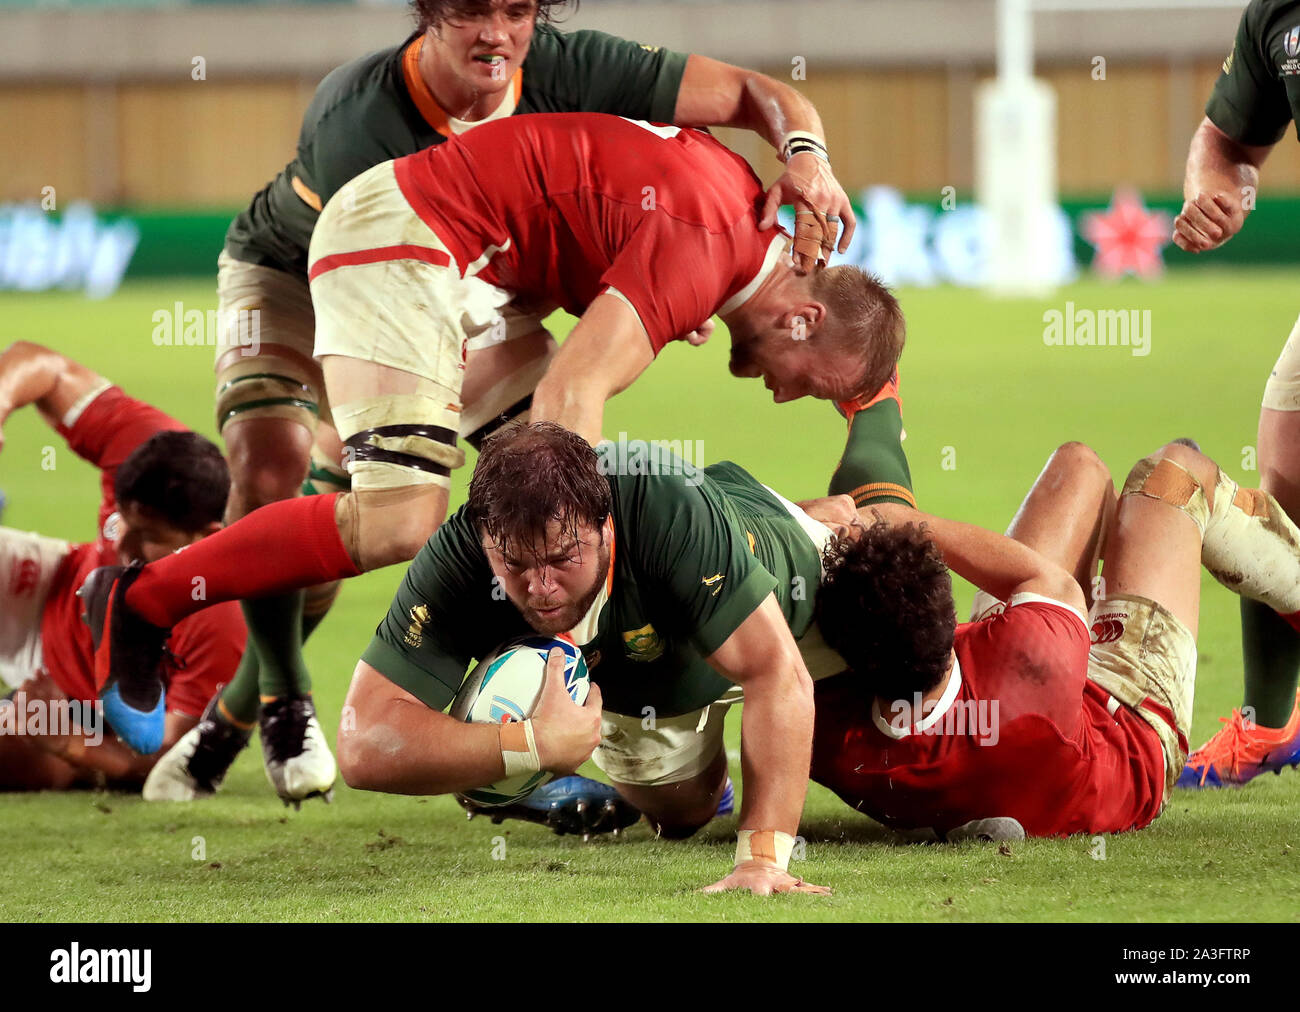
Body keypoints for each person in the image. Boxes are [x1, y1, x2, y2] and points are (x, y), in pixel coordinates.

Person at [173, 0, 898, 805]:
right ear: (427, 17)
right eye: (473, 13)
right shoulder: (363, 122)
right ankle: (272, 697)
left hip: (447, 261)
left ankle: (519, 718)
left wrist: (803, 152)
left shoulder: (564, 64)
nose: (499, 34)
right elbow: (404, 268)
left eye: (518, 12)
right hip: (294, 266)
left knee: (540, 492)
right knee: (302, 475)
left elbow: (749, 96)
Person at [339, 421, 857, 895]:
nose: (540, 588)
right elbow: (363, 746)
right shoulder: (459, 554)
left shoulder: (663, 499)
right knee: (682, 818)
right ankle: (692, 782)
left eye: (564, 557)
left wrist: (762, 861)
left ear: (606, 526)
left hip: (796, 601)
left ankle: (828, 512)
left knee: (911, 750)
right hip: (648, 675)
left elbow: (776, 671)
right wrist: (528, 744)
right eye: (514, 564)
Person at [810, 439, 1300, 839]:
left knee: (1077, 467)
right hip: (1130, 728)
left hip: (1016, 746)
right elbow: (1044, 582)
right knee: (1176, 472)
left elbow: (748, 650)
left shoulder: (823, 730)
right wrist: (898, 521)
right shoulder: (1022, 652)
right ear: (950, 611)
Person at [0, 342, 246, 791]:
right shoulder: (151, 450)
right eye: (121, 522)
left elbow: (174, 764)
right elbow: (43, 367)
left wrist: (71, 744)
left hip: (87, 709)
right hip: (52, 590)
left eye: (149, 538)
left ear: (207, 536)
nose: (122, 547)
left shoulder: (223, 617)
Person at [1170, 0, 1300, 786]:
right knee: (1282, 483)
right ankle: (1268, 722)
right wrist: (1215, 194)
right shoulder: (1276, 14)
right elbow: (1228, 138)